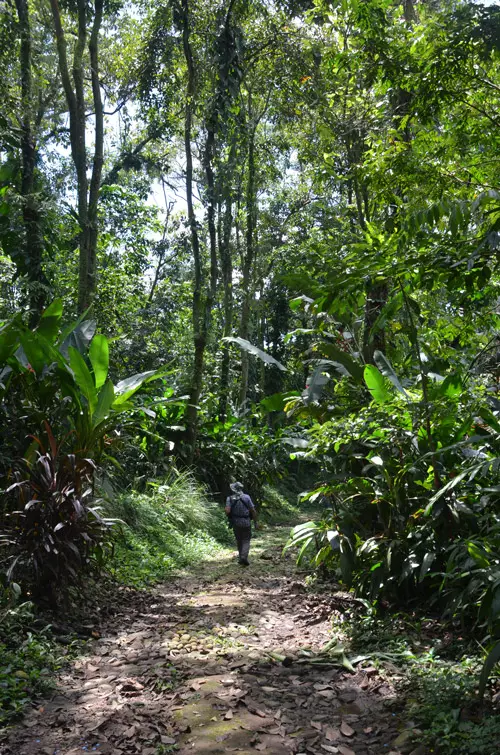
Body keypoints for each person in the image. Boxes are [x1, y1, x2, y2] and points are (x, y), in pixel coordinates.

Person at [225, 482, 258, 566]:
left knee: (239, 540)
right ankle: (244, 557)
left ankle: (241, 558)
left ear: (233, 489)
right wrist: (255, 522)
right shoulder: (247, 497)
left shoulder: (230, 498)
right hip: (246, 521)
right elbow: (253, 510)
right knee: (246, 540)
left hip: (236, 522)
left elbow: (227, 510)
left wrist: (229, 515)